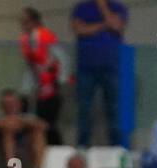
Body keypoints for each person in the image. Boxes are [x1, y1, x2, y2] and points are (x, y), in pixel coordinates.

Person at [71, 0, 128, 147]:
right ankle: (83, 146)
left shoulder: (118, 7)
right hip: (86, 68)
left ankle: (116, 147)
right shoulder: (81, 8)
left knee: (113, 110)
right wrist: (104, 25)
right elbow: (79, 30)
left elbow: (116, 26)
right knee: (84, 109)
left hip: (111, 67)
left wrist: (102, 7)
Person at [18, 7, 65, 145]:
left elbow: (60, 59)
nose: (24, 25)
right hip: (35, 85)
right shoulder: (25, 39)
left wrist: (57, 80)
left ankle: (55, 149)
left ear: (34, 22)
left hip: (49, 85)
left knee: (48, 123)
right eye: (22, 22)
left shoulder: (45, 36)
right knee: (31, 118)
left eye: (26, 22)